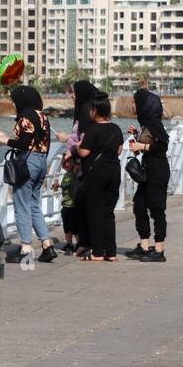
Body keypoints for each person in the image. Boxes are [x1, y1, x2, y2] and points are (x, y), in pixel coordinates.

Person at [0, 85, 57, 264]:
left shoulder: (25, 117)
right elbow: (33, 141)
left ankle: (26, 248)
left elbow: (23, 144)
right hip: (42, 162)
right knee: (35, 205)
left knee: (21, 204)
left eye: (15, 101)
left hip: (27, 163)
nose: (14, 104)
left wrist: (1, 139)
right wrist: (8, 137)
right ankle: (47, 245)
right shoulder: (42, 117)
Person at [76, 93, 123, 263]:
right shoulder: (116, 129)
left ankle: (97, 252)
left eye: (91, 110)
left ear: (95, 111)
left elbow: (84, 152)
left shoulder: (92, 129)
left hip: (96, 174)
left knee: (95, 212)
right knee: (108, 213)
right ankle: (111, 252)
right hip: (113, 172)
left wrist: (77, 145)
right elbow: (118, 151)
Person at [127, 87, 171, 262]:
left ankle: (159, 249)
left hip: (157, 170)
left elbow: (163, 145)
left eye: (134, 102)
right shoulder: (146, 123)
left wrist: (142, 147)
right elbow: (151, 140)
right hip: (148, 168)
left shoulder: (154, 123)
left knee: (157, 208)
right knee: (139, 205)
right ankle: (144, 245)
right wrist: (137, 135)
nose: (132, 104)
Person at [55, 79, 97, 255]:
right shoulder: (85, 110)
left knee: (83, 204)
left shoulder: (87, 112)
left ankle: (86, 242)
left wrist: (68, 142)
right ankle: (84, 241)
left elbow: (85, 139)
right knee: (79, 203)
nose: (71, 96)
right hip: (80, 165)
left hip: (86, 166)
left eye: (73, 93)